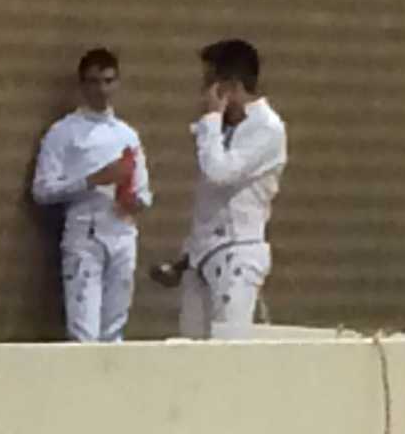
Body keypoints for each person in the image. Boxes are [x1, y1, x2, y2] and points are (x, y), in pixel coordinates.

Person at [153, 38, 285, 340]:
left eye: (209, 82)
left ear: (230, 86)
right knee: (190, 350)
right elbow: (209, 201)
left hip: (238, 255)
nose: (203, 92)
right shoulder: (221, 130)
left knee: (228, 354)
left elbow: (220, 173)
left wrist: (211, 119)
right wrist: (186, 255)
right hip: (201, 257)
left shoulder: (267, 129)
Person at [32, 47, 152, 343]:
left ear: (118, 83)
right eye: (94, 82)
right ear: (82, 85)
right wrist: (92, 181)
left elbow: (144, 190)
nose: (102, 89)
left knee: (115, 327)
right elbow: (42, 189)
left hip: (123, 233)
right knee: (84, 329)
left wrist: (136, 201)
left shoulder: (127, 135)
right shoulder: (64, 132)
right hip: (84, 236)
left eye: (108, 81)